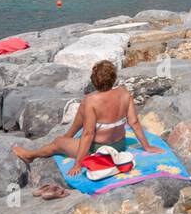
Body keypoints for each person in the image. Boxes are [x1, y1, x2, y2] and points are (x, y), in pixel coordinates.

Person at [12, 60, 162, 175]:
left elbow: (88, 133)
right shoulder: (124, 93)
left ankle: (30, 155)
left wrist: (78, 163)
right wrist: (147, 147)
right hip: (119, 145)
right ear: (114, 78)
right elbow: (134, 122)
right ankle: (68, 137)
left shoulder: (91, 100)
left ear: (93, 81)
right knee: (84, 110)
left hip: (98, 150)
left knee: (57, 142)